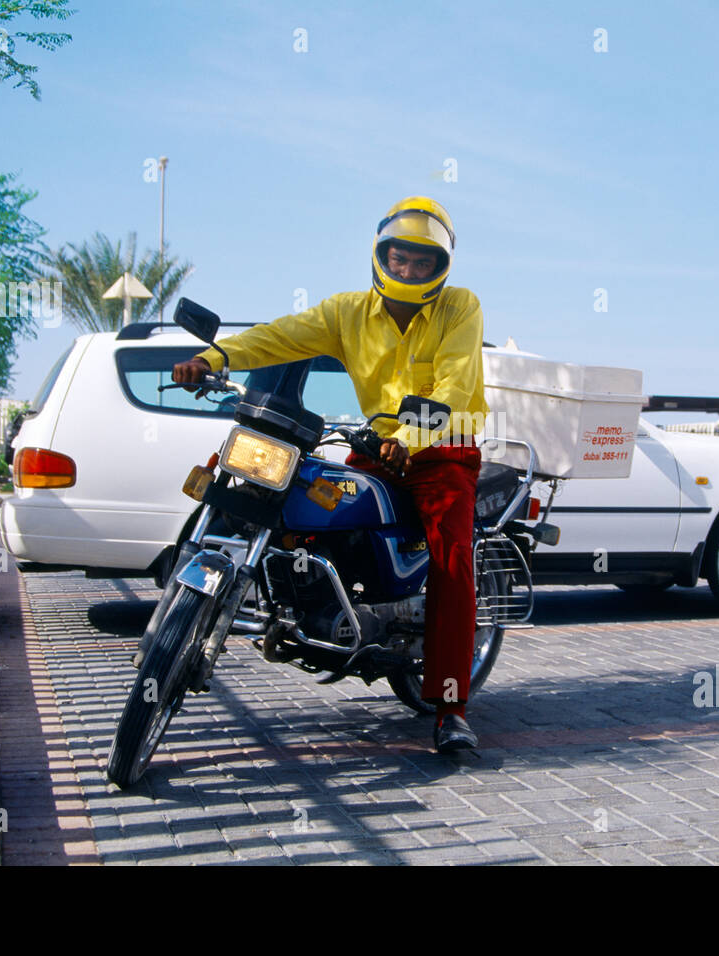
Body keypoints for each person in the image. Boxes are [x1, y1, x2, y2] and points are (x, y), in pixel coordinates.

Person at [171, 196, 487, 754]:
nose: (408, 270)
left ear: (440, 268)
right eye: (399, 258)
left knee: (452, 561)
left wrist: (409, 439)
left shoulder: (460, 307)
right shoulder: (346, 312)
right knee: (310, 511)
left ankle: (451, 706)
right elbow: (278, 336)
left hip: (443, 450)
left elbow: (455, 386)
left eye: (422, 262)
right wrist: (214, 360)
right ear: (379, 256)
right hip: (377, 448)